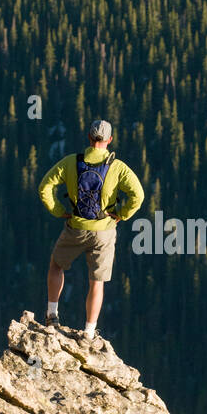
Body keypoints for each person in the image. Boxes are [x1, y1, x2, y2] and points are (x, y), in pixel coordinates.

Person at [38, 118, 144, 338]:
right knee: (97, 282)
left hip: (75, 226)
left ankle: (52, 315)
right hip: (104, 230)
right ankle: (88, 333)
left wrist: (58, 210)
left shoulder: (70, 162)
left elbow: (44, 187)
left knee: (57, 265)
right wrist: (121, 215)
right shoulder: (118, 167)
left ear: (88, 137)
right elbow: (138, 195)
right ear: (110, 140)